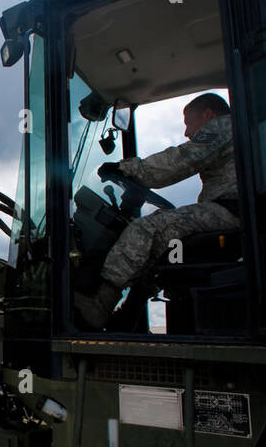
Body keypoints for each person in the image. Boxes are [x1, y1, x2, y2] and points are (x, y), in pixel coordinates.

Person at [76, 93, 240, 329]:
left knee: (145, 228)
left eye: (188, 123)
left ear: (208, 115)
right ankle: (129, 315)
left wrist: (127, 168)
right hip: (229, 211)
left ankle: (99, 303)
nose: (186, 132)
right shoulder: (233, 131)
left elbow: (181, 160)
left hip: (230, 212)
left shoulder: (224, 126)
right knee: (156, 244)